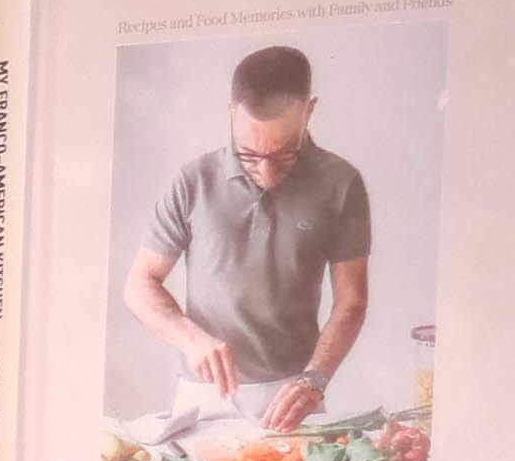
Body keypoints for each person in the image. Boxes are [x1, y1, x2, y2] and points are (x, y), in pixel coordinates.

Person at [129, 43, 373, 433]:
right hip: (202, 394)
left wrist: (315, 379)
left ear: (309, 110)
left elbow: (352, 300)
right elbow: (139, 284)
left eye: (284, 154)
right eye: (248, 154)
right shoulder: (193, 181)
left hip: (294, 393)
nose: (268, 173)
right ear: (232, 114)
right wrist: (192, 340)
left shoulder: (342, 184)